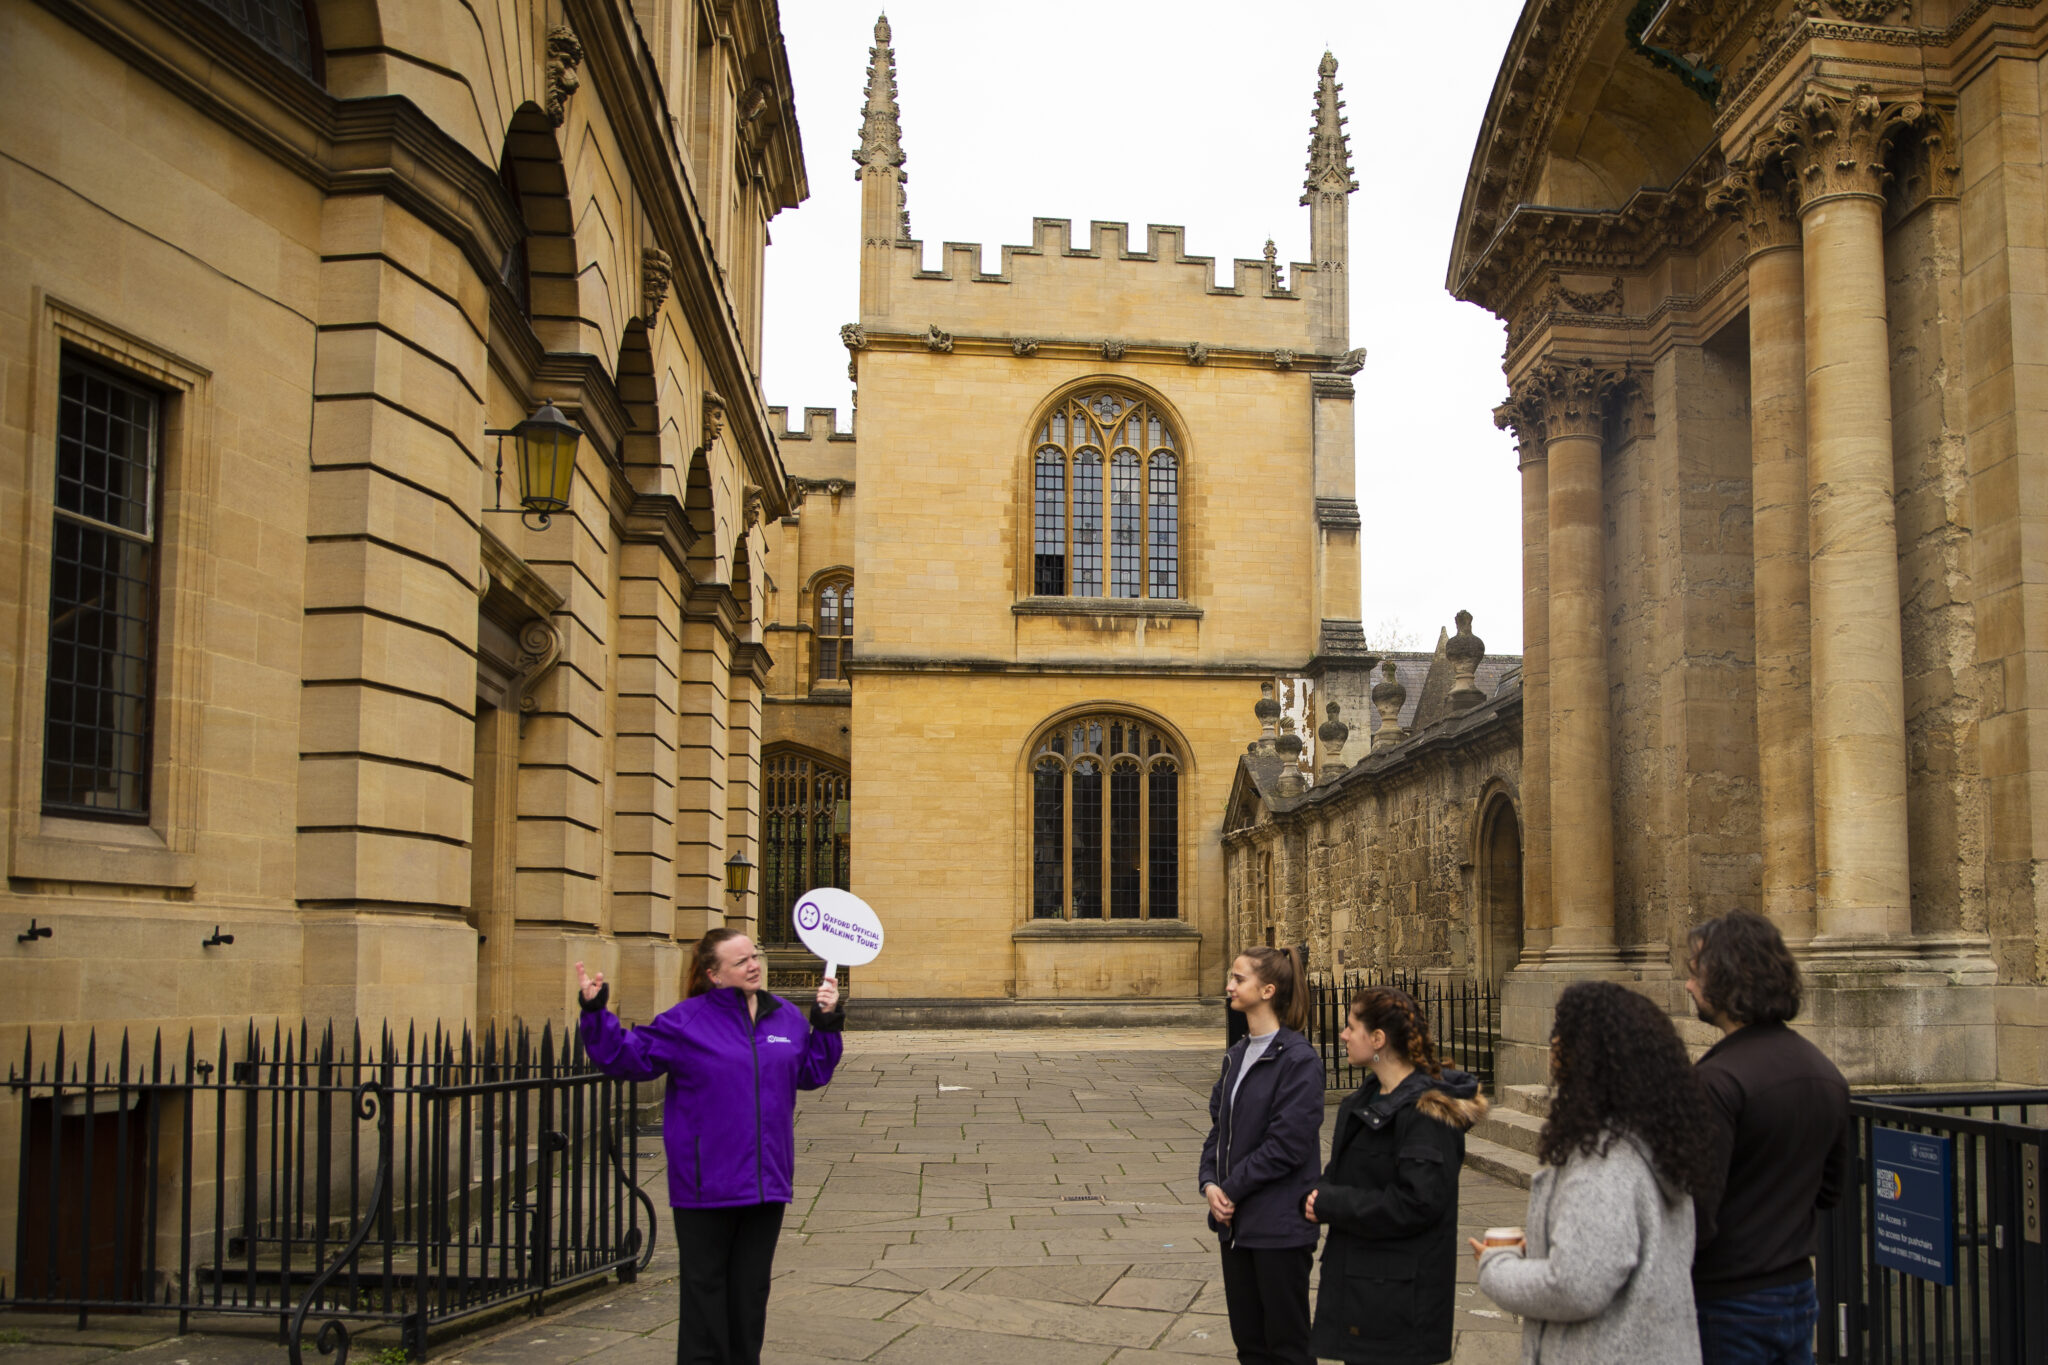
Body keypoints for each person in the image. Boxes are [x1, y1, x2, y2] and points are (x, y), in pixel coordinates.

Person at [575, 931, 843, 1365]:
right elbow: (626, 1057)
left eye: (754, 956)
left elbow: (812, 1072)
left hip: (766, 1184)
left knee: (750, 1296)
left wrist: (827, 1022)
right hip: (706, 1187)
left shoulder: (787, 1018)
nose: (753, 965)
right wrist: (595, 1012)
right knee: (705, 1297)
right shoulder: (686, 1022)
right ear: (714, 975)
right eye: (740, 962)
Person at [1474, 981, 1715, 1364]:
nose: (1552, 1045)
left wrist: (1496, 1266)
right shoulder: (1655, 1144)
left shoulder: (1605, 1164)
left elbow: (1575, 1286)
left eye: (1560, 1033)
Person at [1684, 911, 1851, 1365]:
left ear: (1727, 977)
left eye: (1695, 972)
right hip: (1795, 1288)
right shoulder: (1823, 1070)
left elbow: (1696, 1209)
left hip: (1727, 1299)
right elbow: (1832, 1188)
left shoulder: (1717, 1081)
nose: (1688, 985)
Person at [1304, 986, 1486, 1365]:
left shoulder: (1425, 1112)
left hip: (1399, 1300)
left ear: (1378, 1039)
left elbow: (1418, 1203)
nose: (1343, 1035)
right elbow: (1342, 1173)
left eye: (1351, 1027)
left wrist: (1331, 1203)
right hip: (1360, 1286)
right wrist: (1319, 1192)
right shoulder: (1362, 1101)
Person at [1198, 946, 1325, 1365]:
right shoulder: (1236, 1053)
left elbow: (1286, 1145)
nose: (1229, 986)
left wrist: (1230, 1189)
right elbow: (1220, 1128)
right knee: (1250, 1347)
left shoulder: (1299, 1059)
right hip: (1235, 1225)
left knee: (1287, 1349)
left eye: (1238, 979)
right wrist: (1210, 1184)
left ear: (1268, 990)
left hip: (1279, 1226)